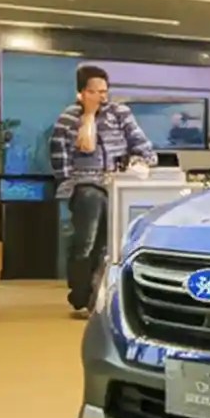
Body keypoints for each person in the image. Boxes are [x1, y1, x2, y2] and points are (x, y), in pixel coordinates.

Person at [49, 65, 157, 314]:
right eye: (95, 91)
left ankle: (101, 296)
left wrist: (138, 162)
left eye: (104, 91)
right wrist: (69, 187)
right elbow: (59, 158)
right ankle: (80, 295)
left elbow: (144, 147)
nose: (102, 96)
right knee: (86, 241)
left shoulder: (119, 113)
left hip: (118, 185)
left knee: (110, 244)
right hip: (85, 185)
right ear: (81, 93)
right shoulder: (68, 119)